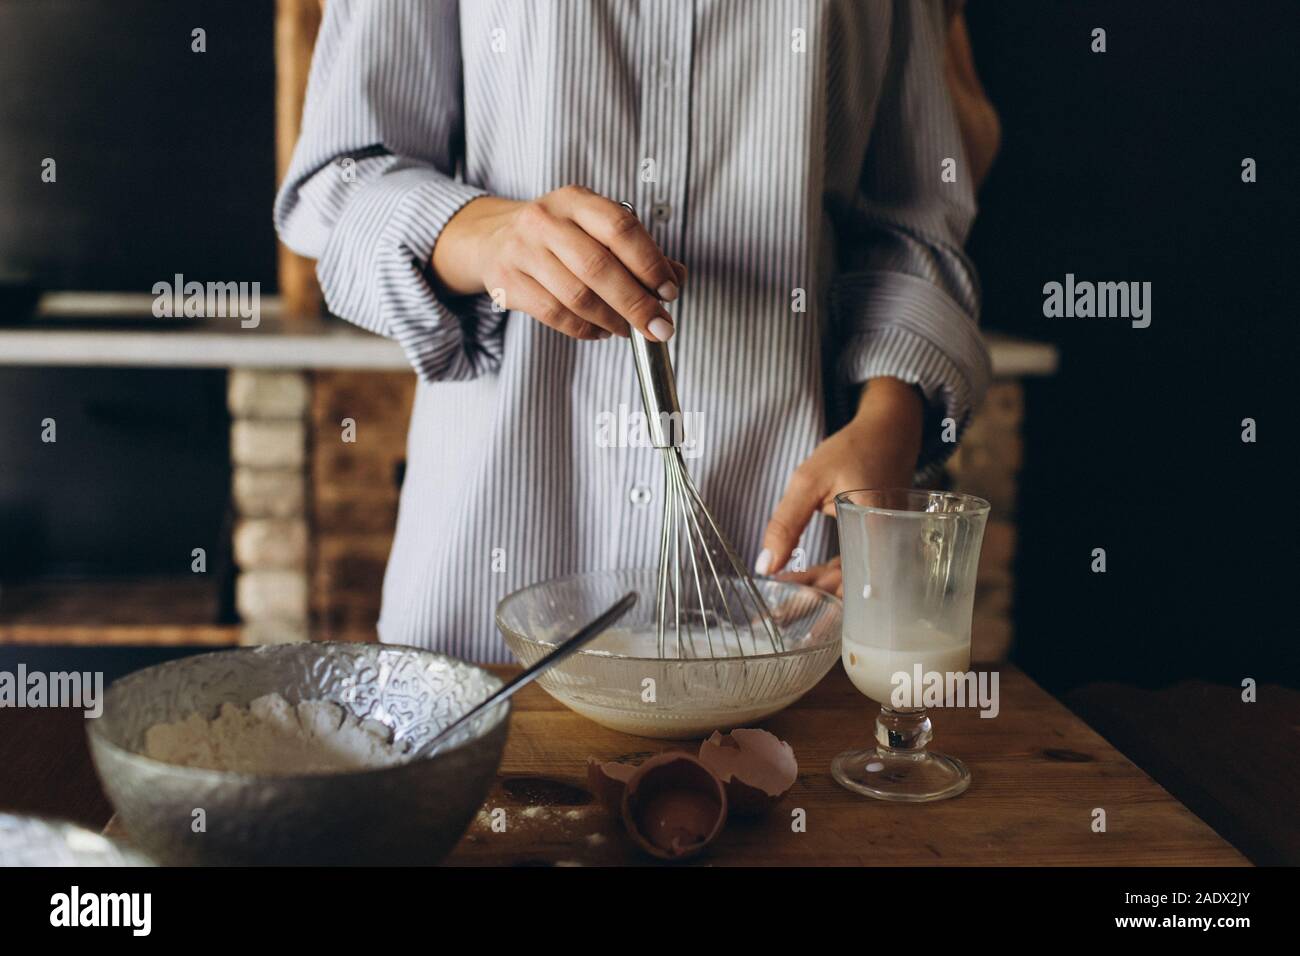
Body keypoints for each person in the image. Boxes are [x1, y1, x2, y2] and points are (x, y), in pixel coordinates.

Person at [276, 0, 997, 660]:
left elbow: (914, 224)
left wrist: (891, 420)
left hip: (782, 591)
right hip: (485, 591)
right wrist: (479, 236)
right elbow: (337, 181)